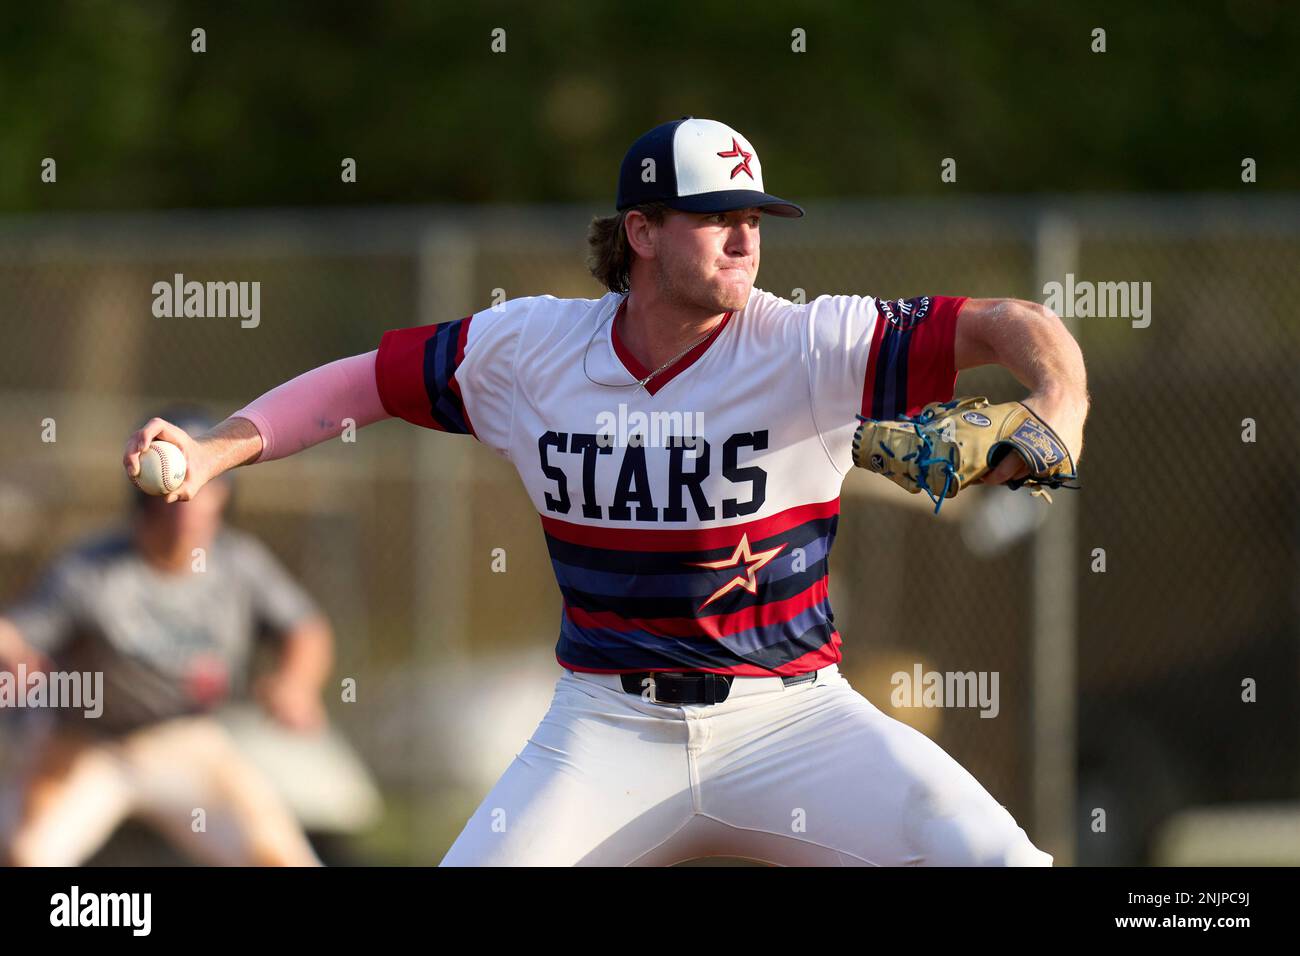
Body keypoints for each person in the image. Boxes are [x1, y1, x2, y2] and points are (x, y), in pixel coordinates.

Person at [121, 117, 1089, 866]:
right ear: (640, 230)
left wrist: (1059, 403)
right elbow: (359, 383)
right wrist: (216, 451)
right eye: (715, 217)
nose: (744, 240)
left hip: (793, 718)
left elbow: (1012, 320)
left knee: (1001, 857)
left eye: (752, 219)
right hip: (604, 725)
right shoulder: (530, 349)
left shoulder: (809, 341)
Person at [2, 406, 331, 866]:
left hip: (185, 738)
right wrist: (15, 656)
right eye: (172, 488)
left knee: (283, 858)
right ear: (144, 493)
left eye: (205, 485)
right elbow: (16, 633)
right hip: (87, 743)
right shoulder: (92, 567)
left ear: (222, 494)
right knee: (28, 856)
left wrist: (296, 683)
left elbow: (304, 628)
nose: (187, 501)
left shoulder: (239, 564)